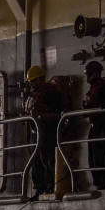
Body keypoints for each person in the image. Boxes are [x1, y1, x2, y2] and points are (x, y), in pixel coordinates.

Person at [22, 65, 64, 198]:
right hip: (36, 133)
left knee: (47, 160)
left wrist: (40, 116)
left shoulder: (51, 95)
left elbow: (57, 115)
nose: (31, 84)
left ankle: (50, 186)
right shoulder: (32, 96)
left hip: (48, 132)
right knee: (36, 162)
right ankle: (39, 188)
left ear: (40, 80)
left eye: (32, 81)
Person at [82, 61, 105, 190]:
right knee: (93, 157)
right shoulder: (94, 88)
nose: (87, 77)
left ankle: (102, 183)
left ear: (96, 73)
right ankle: (98, 182)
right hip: (95, 125)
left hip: (103, 125)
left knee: (100, 156)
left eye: (89, 74)